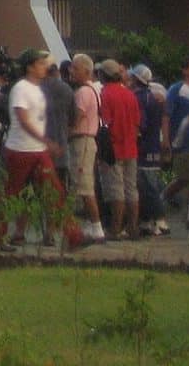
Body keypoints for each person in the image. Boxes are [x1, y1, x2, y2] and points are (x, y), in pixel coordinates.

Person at [0, 47, 82, 251]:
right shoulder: (21, 88)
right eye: (40, 64)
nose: (44, 67)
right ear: (30, 67)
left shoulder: (36, 88)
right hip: (21, 148)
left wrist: (44, 142)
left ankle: (74, 235)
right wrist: (46, 140)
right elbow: (23, 120)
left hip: (37, 149)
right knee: (11, 194)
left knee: (55, 192)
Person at [96, 60, 141, 240]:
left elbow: (104, 124)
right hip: (131, 146)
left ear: (103, 75)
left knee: (115, 189)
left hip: (113, 149)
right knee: (131, 188)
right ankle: (132, 227)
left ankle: (115, 228)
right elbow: (138, 123)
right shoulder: (130, 94)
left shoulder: (105, 94)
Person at [66, 55, 104, 243]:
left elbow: (78, 117)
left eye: (75, 68)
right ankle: (91, 224)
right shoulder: (92, 91)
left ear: (86, 72)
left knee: (84, 185)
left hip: (83, 140)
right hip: (87, 141)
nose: (71, 72)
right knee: (83, 184)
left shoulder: (82, 92)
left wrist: (66, 134)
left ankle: (96, 226)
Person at [130, 65, 169, 236]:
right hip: (154, 144)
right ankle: (147, 221)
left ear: (135, 80)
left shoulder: (139, 98)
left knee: (147, 186)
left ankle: (160, 220)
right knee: (149, 184)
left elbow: (141, 125)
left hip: (144, 147)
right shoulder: (153, 98)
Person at [165, 57, 189, 230]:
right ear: (185, 70)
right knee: (186, 177)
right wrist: (165, 139)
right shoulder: (176, 89)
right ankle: (162, 198)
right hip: (182, 140)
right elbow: (166, 115)